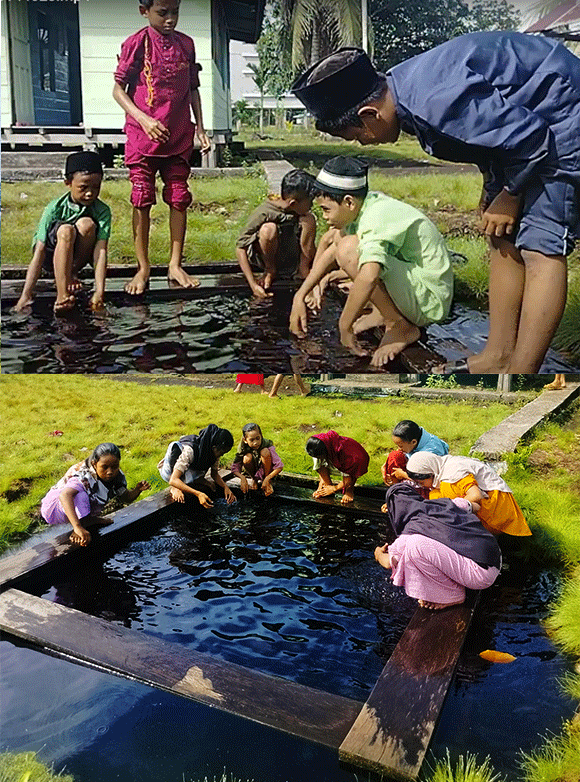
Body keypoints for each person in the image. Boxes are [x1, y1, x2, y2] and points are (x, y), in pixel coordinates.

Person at [291, 35, 580, 374]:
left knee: (540, 246)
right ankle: (498, 355)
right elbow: (488, 138)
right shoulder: (403, 95)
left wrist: (512, 194)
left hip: (562, 114)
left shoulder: (434, 99)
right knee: (500, 232)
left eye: (357, 136)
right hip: (526, 129)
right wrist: (494, 190)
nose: (363, 144)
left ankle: (521, 378)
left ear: (369, 114)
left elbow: (530, 137)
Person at [289, 157, 453, 367]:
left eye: (326, 209)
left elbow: (369, 276)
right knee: (342, 241)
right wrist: (300, 295)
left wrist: (344, 326)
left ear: (348, 201)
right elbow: (331, 251)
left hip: (430, 301)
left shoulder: (375, 217)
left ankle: (398, 325)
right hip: (415, 284)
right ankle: (382, 313)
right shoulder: (364, 205)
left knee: (350, 250)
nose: (323, 217)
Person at [113, 0, 211, 296]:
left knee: (179, 198)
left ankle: (175, 264)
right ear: (144, 11)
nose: (170, 20)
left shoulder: (186, 44)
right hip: (143, 136)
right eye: (162, 13)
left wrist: (202, 128)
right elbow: (118, 89)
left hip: (178, 132)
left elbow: (192, 88)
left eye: (175, 13)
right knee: (142, 197)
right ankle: (143, 267)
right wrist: (143, 119)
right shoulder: (136, 44)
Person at [375, 483, 502, 610]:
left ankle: (451, 595)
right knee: (429, 544)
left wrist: (378, 554)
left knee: (415, 545)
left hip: (480, 575)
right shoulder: (442, 503)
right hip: (495, 556)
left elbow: (388, 563)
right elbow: (475, 506)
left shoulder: (411, 529)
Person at [14, 151, 111, 315]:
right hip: (50, 258)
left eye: (96, 187)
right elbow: (39, 251)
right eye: (83, 187)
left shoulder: (102, 211)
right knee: (66, 230)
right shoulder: (54, 208)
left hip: (77, 258)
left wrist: (99, 292)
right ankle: (62, 294)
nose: (90, 193)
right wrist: (26, 294)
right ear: (68, 183)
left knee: (86, 224)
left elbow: (101, 251)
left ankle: (71, 273)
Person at [41, 443, 150, 546]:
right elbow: (65, 495)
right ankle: (82, 524)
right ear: (94, 463)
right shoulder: (83, 476)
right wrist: (77, 527)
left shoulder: (116, 476)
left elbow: (125, 498)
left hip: (75, 508)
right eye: (105, 467)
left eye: (114, 466)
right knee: (81, 495)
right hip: (54, 508)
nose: (110, 472)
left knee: (83, 498)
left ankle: (88, 521)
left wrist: (137, 490)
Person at [405, 451, 531, 537]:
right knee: (435, 496)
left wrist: (451, 510)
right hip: (486, 502)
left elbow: (476, 495)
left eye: (421, 482)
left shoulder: (452, 474)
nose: (421, 486)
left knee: (442, 496)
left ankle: (481, 531)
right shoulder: (441, 467)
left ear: (431, 473)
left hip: (496, 507)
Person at [236, 169, 317, 298]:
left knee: (309, 219)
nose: (312, 206)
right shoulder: (264, 212)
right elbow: (240, 248)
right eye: (310, 202)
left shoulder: (300, 211)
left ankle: (303, 268)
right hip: (269, 257)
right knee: (268, 229)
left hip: (292, 254)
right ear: (293, 204)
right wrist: (253, 284)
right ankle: (270, 270)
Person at [158, 424, 235, 506]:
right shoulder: (190, 451)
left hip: (189, 467)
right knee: (183, 481)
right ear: (214, 447)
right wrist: (198, 494)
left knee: (200, 482)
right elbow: (173, 479)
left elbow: (214, 474)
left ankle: (196, 480)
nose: (222, 455)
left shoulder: (213, 453)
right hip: (171, 469)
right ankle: (175, 488)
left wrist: (226, 488)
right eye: (222, 452)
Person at [306, 430, 369, 504]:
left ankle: (349, 490)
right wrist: (322, 484)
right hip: (332, 456)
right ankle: (326, 484)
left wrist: (334, 488)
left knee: (349, 478)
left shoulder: (343, 453)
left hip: (355, 463)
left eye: (320, 456)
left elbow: (348, 478)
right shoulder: (317, 446)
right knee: (317, 459)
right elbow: (319, 464)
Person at [382, 419, 449, 485]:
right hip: (416, 470)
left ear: (414, 442)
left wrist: (403, 475)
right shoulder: (415, 436)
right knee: (394, 455)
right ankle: (394, 485)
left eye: (401, 446)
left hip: (429, 481)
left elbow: (429, 481)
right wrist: (385, 466)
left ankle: (401, 488)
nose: (399, 449)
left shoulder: (430, 452)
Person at [230, 423, 284, 496]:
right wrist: (242, 478)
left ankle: (267, 481)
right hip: (254, 467)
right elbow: (235, 468)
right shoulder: (242, 448)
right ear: (245, 440)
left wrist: (267, 478)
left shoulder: (267, 444)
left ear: (261, 435)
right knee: (247, 458)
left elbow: (279, 466)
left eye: (258, 438)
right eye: (251, 440)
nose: (255, 443)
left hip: (266, 468)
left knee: (265, 452)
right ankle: (254, 479)